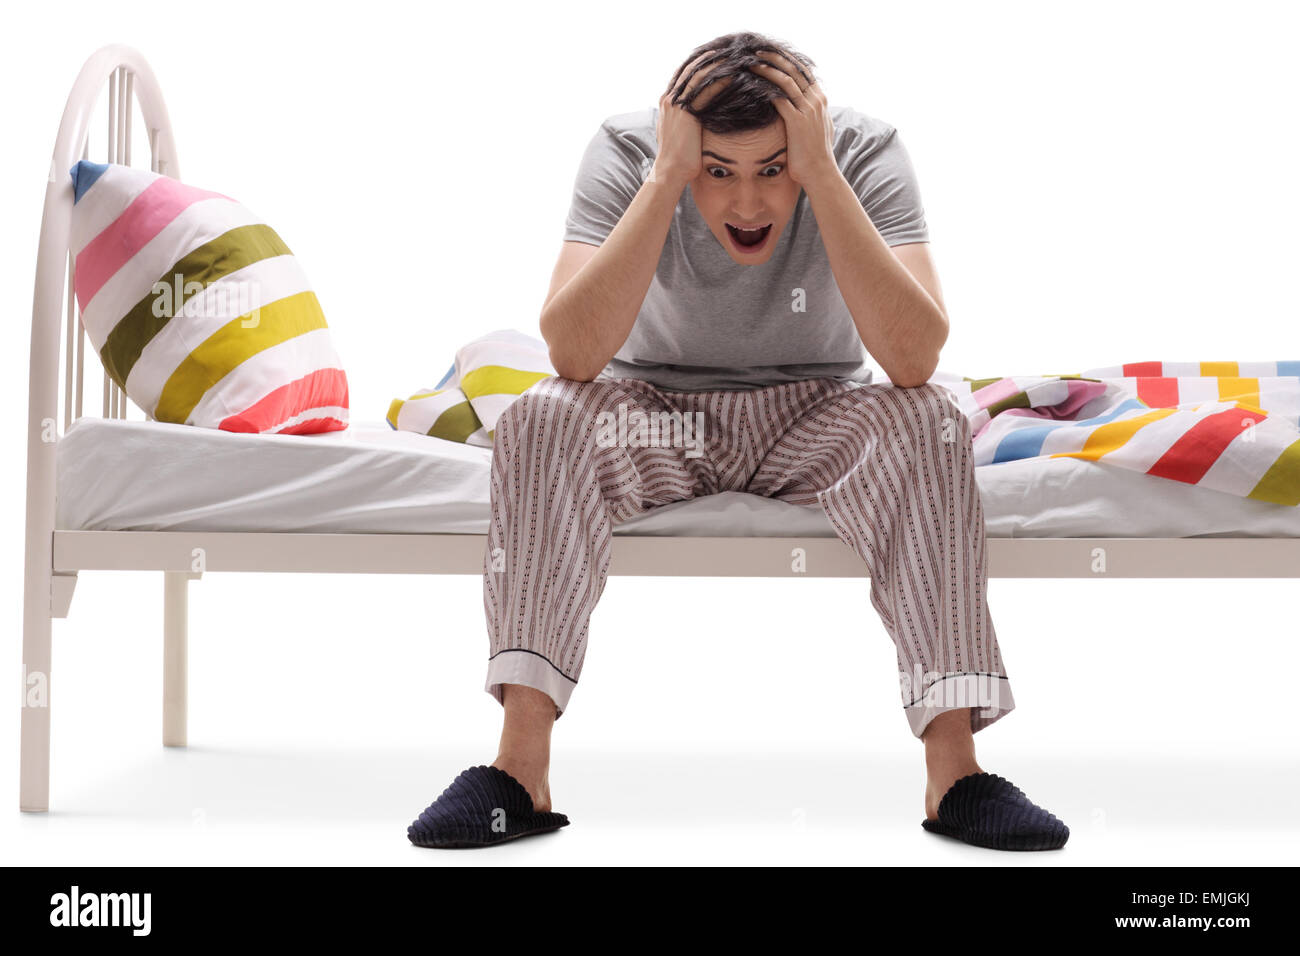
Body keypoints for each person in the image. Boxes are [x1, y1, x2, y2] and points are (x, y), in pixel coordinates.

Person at [408, 30, 1069, 851]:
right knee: (541, 415)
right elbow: (574, 353)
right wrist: (665, 177)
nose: (747, 205)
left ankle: (955, 774)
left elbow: (911, 357)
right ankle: (519, 768)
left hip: (819, 410)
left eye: (773, 169)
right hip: (653, 408)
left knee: (931, 417)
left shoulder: (861, 152)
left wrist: (822, 173)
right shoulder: (628, 150)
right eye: (719, 172)